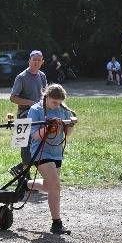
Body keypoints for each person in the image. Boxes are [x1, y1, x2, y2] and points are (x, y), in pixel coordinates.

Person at [27, 84, 77, 234]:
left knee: (50, 187)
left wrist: (71, 124)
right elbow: (34, 135)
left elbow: (67, 134)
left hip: (56, 152)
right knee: (55, 186)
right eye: (54, 102)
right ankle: (57, 223)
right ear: (47, 97)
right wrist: (49, 126)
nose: (57, 105)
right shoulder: (36, 110)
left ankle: (26, 184)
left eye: (59, 102)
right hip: (40, 152)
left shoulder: (64, 110)